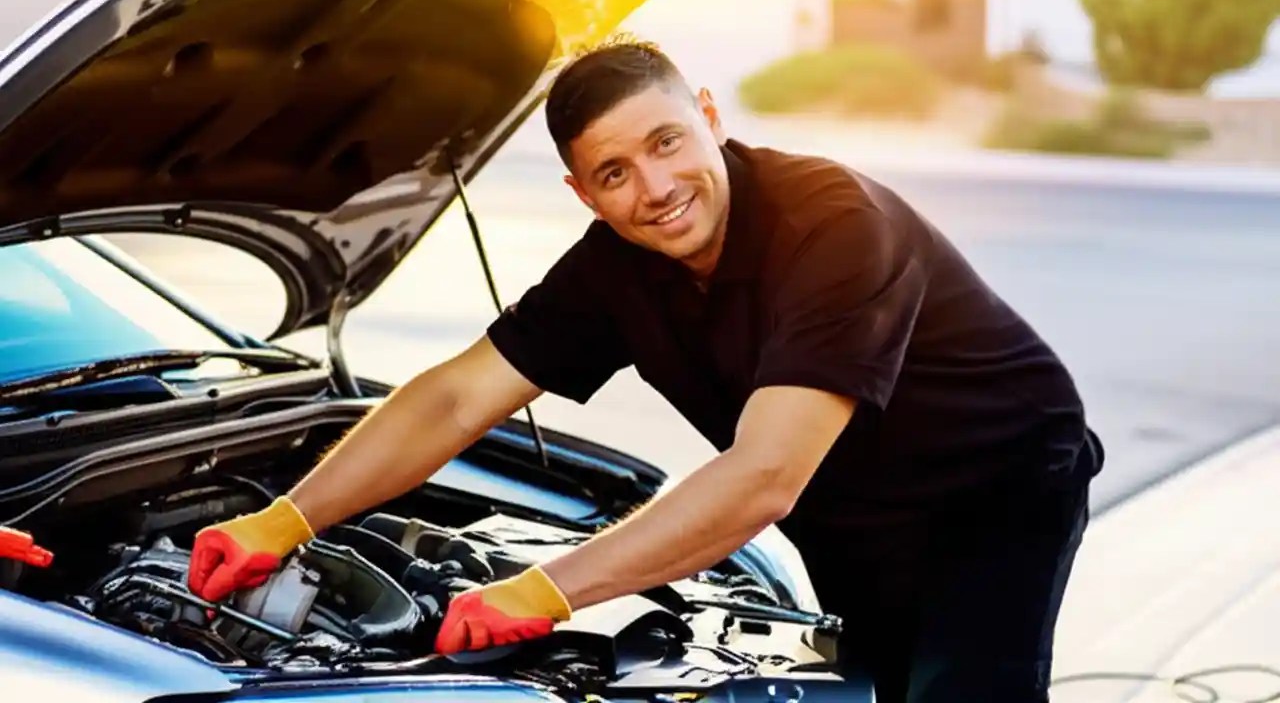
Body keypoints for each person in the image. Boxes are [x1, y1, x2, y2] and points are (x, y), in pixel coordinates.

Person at [186, 36, 1103, 702]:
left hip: (993, 492)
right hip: (850, 505)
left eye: (666, 143)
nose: (655, 189)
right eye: (614, 172)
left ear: (707, 116)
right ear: (582, 193)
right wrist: (281, 520)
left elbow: (764, 477)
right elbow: (461, 394)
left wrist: (546, 589)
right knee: (872, 690)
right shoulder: (614, 266)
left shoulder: (834, 223)